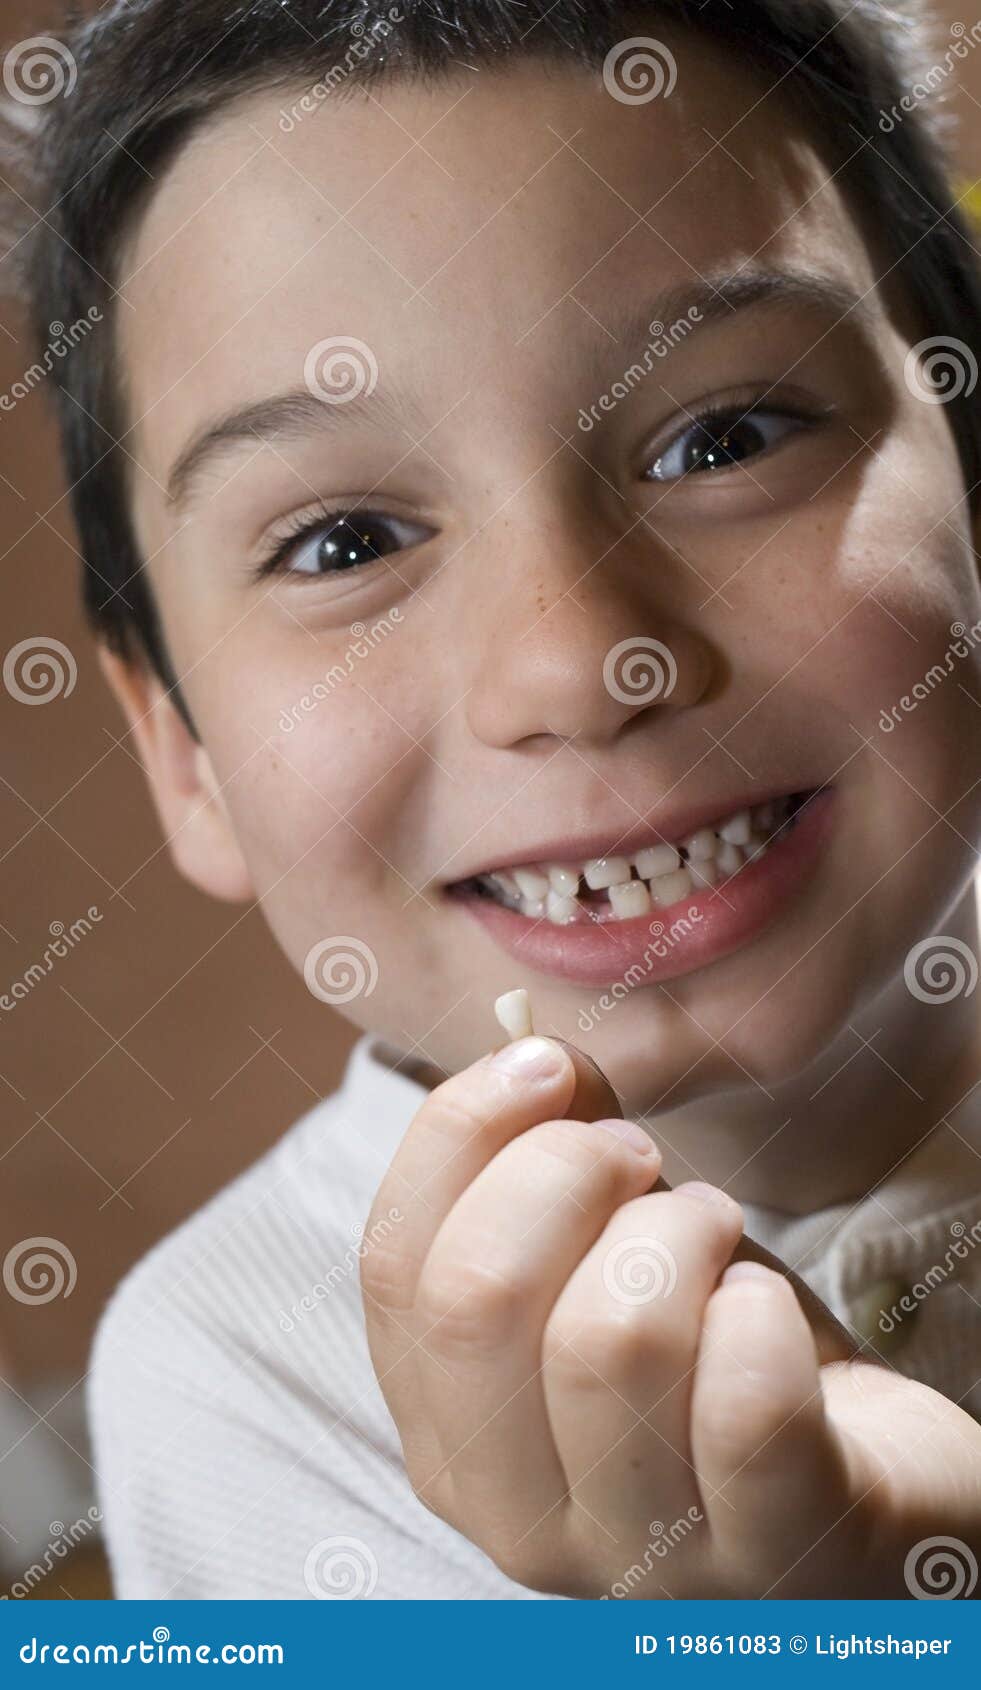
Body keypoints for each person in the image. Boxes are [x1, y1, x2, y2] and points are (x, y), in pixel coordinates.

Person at [7, 0, 981, 1598]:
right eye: (343, 543)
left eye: (723, 438)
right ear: (183, 751)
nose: (577, 661)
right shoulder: (243, 1381)